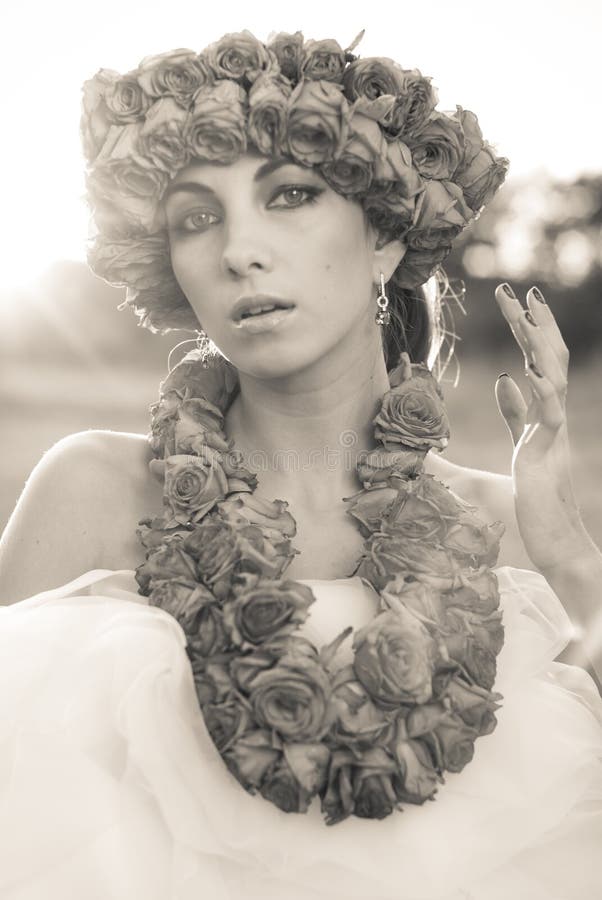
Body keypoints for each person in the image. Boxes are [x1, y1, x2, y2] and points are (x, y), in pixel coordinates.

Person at [0, 28, 601, 900]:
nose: (239, 248)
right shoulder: (91, 492)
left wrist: (576, 559)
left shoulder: (504, 524)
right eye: (197, 217)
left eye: (289, 194)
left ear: (386, 240)